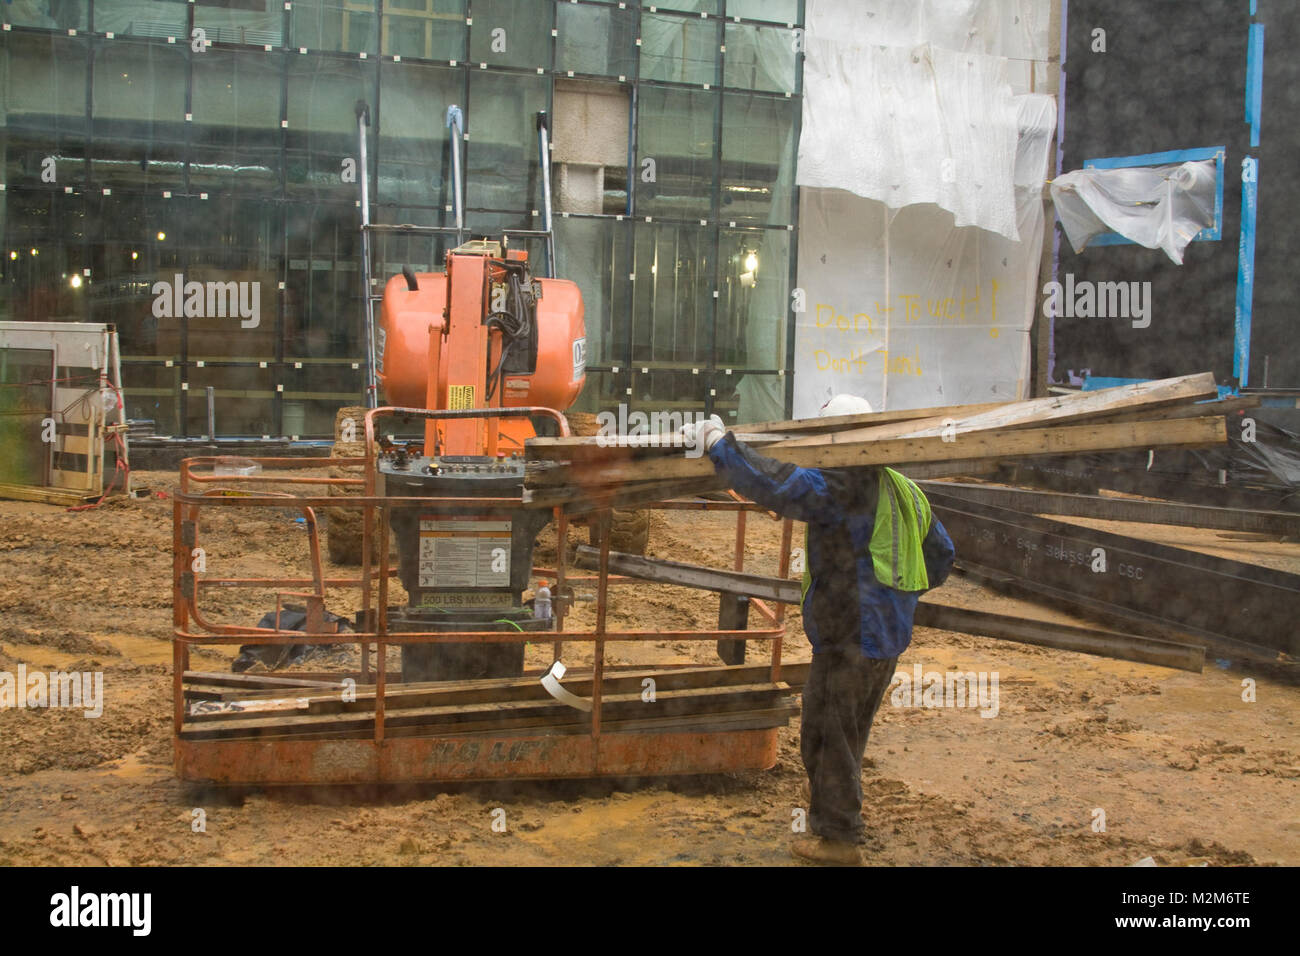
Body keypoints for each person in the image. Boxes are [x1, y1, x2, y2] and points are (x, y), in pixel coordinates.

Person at [684, 396, 956, 865]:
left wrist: (719, 444)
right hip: (882, 636)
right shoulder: (903, 488)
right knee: (845, 733)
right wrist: (898, 597)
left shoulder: (847, 484)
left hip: (850, 635)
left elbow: (781, 484)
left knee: (828, 736)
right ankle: (840, 824)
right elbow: (942, 555)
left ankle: (837, 840)